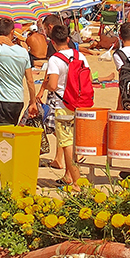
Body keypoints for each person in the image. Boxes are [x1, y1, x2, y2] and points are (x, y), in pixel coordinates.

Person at [42, 24, 88, 186]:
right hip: (81, 103)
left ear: (52, 42)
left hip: (63, 104)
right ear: (68, 39)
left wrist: (45, 85)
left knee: (66, 143)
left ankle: (77, 181)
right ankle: (68, 176)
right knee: (74, 139)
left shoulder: (55, 59)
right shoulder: (80, 56)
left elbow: (53, 85)